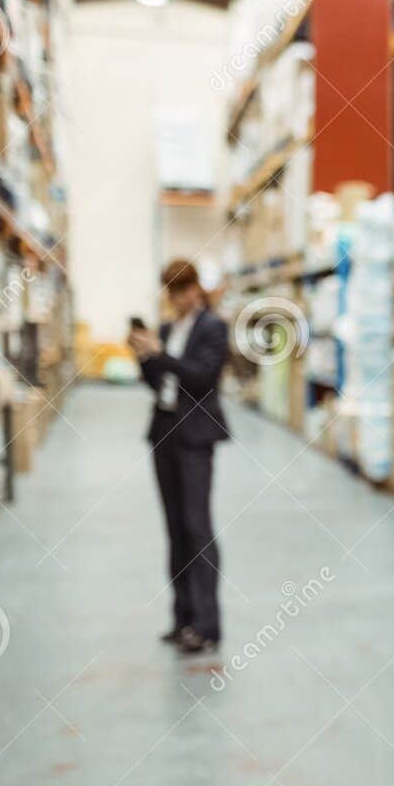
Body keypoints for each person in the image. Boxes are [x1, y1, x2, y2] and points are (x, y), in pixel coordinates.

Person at [128, 260, 231, 654]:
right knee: (174, 528)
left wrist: (162, 354)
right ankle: (182, 618)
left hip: (195, 437)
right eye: (171, 292)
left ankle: (208, 626)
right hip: (165, 433)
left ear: (194, 289)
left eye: (183, 291)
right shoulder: (168, 330)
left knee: (197, 527)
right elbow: (161, 384)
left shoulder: (212, 328)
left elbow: (202, 379)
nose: (178, 299)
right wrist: (145, 357)